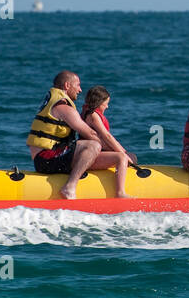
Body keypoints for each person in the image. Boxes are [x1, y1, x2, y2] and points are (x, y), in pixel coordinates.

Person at [27, 70, 114, 200]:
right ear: (67, 86)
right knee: (93, 145)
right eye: (78, 85)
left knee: (93, 147)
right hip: (46, 159)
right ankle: (70, 186)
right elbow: (90, 133)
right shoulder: (63, 106)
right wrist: (112, 148)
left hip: (46, 157)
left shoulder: (53, 101)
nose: (80, 90)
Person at [80, 86, 136, 198]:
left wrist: (124, 152)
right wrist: (122, 153)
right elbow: (107, 136)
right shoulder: (93, 116)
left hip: (98, 152)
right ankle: (120, 192)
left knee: (132, 157)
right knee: (122, 158)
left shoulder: (88, 112)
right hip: (90, 156)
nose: (107, 106)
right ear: (99, 102)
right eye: (106, 103)